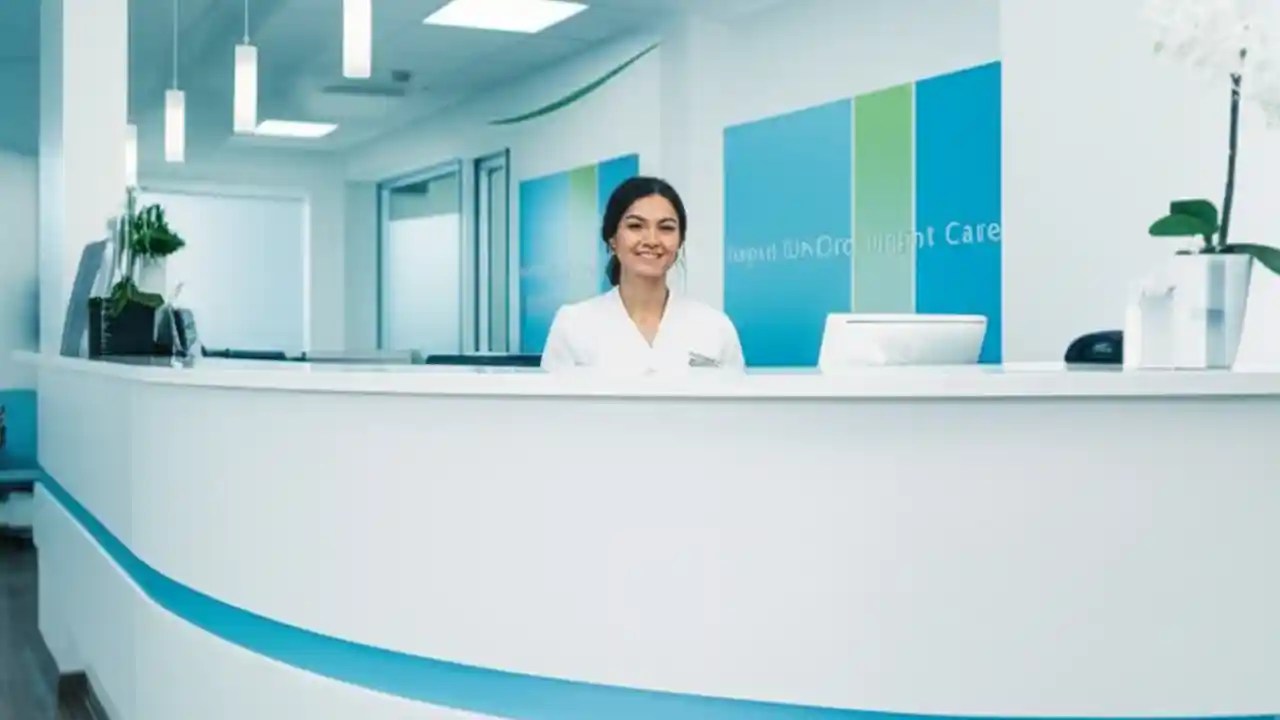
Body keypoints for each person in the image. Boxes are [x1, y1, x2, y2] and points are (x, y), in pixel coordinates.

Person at [540, 176, 744, 373]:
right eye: (635, 226)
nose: (652, 240)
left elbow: (735, 396)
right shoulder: (573, 324)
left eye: (666, 228)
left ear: (680, 241)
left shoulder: (715, 327)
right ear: (613, 239)